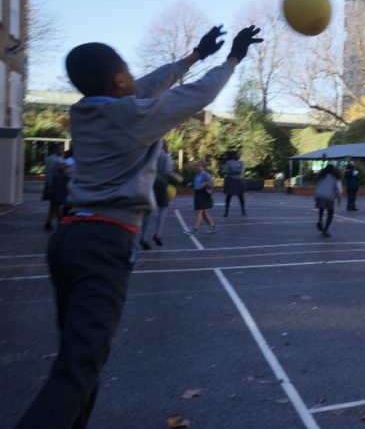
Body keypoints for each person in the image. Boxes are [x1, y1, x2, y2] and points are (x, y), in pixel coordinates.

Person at [16, 24, 262, 429]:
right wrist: (232, 58)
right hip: (103, 243)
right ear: (117, 80)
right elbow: (196, 95)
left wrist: (193, 56)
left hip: (68, 238)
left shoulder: (88, 112)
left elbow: (147, 85)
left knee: (81, 361)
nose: (135, 78)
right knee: (77, 369)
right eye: (127, 72)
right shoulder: (132, 117)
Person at [138, 141, 181, 249]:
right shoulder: (166, 156)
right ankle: (158, 234)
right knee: (163, 208)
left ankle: (143, 237)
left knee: (147, 211)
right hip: (161, 184)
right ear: (166, 146)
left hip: (149, 183)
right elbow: (167, 171)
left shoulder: (150, 155)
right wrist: (177, 177)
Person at [187, 160, 217, 235]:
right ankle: (213, 226)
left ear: (203, 167)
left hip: (204, 194)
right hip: (197, 194)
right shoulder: (197, 174)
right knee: (204, 214)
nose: (197, 167)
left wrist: (205, 184)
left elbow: (212, 184)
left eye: (199, 166)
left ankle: (195, 230)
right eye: (197, 166)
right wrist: (191, 184)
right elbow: (195, 183)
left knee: (199, 212)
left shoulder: (206, 175)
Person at [42, 142, 67, 231]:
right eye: (60, 149)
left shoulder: (50, 158)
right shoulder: (57, 159)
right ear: (54, 149)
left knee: (53, 205)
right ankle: (61, 222)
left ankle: (49, 223)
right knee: (56, 204)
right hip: (56, 183)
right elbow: (64, 170)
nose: (62, 150)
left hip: (52, 183)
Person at [314, 163, 342, 237]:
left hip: (319, 195)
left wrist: (316, 196)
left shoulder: (322, 176)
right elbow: (338, 189)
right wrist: (339, 198)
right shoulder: (335, 177)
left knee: (321, 209)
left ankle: (320, 221)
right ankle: (325, 230)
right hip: (329, 196)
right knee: (330, 212)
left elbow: (317, 186)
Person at [223, 149, 246, 217]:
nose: (238, 156)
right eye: (237, 154)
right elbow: (226, 171)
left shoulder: (241, 162)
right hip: (230, 180)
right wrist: (235, 170)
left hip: (238, 180)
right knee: (228, 196)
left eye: (239, 154)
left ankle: (243, 210)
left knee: (241, 196)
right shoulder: (228, 162)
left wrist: (232, 170)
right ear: (234, 155)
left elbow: (241, 171)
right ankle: (226, 211)